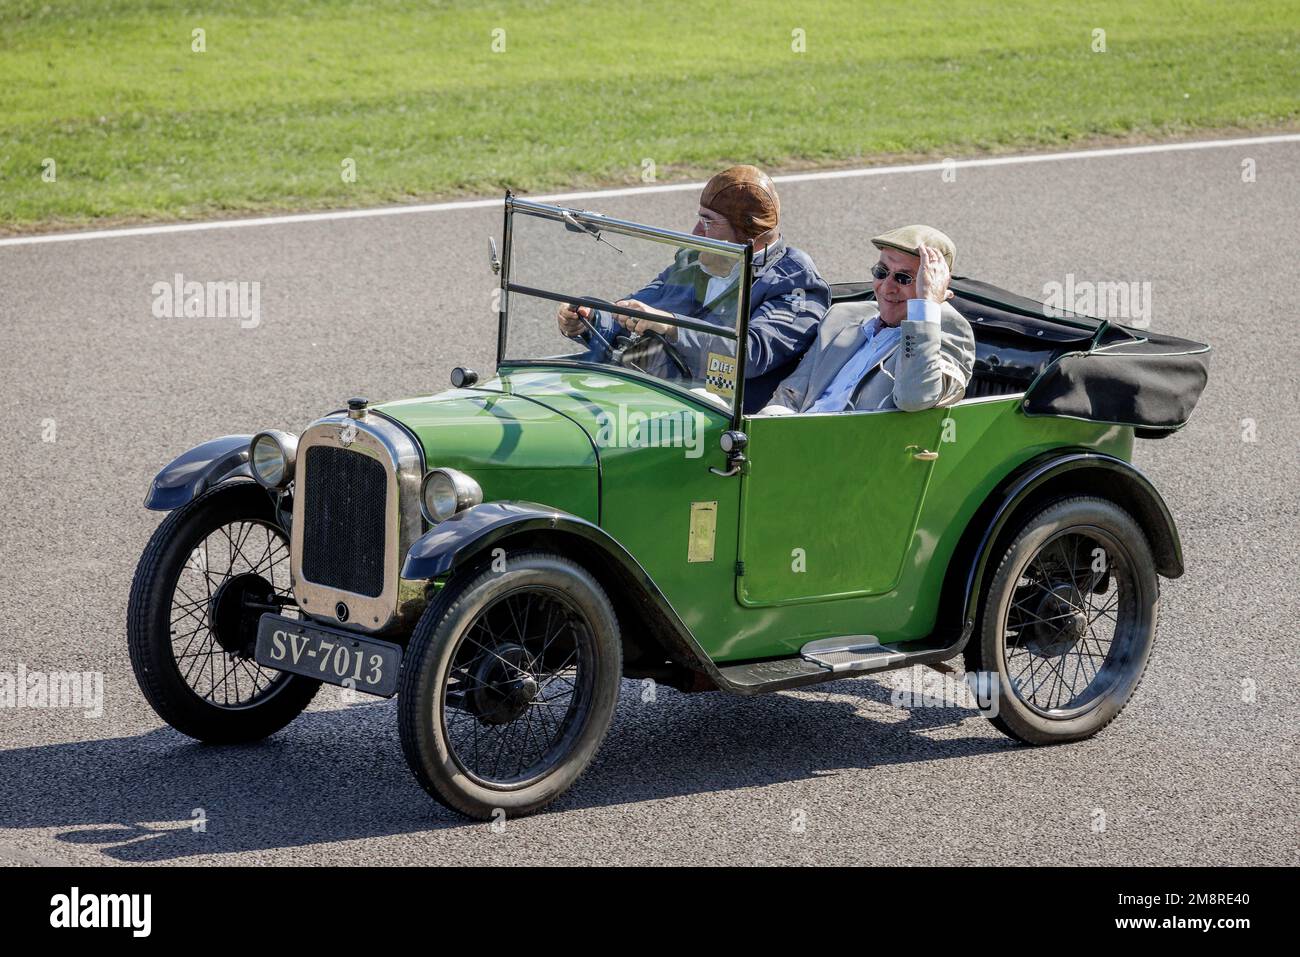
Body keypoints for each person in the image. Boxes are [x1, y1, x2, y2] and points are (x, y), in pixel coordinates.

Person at [557, 165, 829, 411]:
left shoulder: (792, 279)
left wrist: (672, 326)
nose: (696, 232)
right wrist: (591, 318)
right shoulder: (692, 261)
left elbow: (752, 353)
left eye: (709, 222)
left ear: (748, 233)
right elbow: (635, 309)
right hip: (650, 390)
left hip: (717, 415)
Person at [759, 225, 975, 414]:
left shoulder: (951, 330)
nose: (887, 287)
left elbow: (914, 397)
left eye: (904, 278)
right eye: (882, 272)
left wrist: (926, 308)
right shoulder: (841, 317)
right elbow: (792, 393)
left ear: (934, 285)